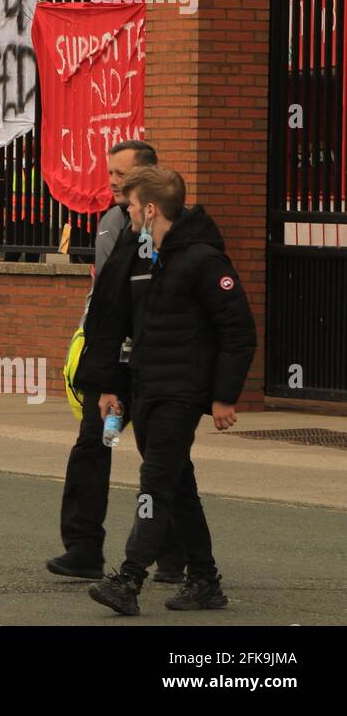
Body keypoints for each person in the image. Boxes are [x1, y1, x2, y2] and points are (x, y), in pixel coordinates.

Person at [88, 167, 257, 616]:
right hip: (146, 387)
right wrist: (111, 386)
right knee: (178, 485)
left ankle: (128, 578)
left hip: (180, 392)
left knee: (155, 484)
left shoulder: (203, 259)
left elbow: (238, 331)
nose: (123, 207)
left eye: (130, 201)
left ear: (150, 207)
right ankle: (204, 579)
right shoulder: (142, 258)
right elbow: (118, 324)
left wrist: (224, 396)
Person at [47, 141, 185, 582]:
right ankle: (84, 549)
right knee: (92, 446)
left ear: (146, 177)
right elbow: (105, 297)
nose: (111, 182)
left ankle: (174, 553)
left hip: (150, 361)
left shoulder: (168, 227)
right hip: (113, 361)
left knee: (160, 454)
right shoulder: (111, 222)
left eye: (120, 175)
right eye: (108, 173)